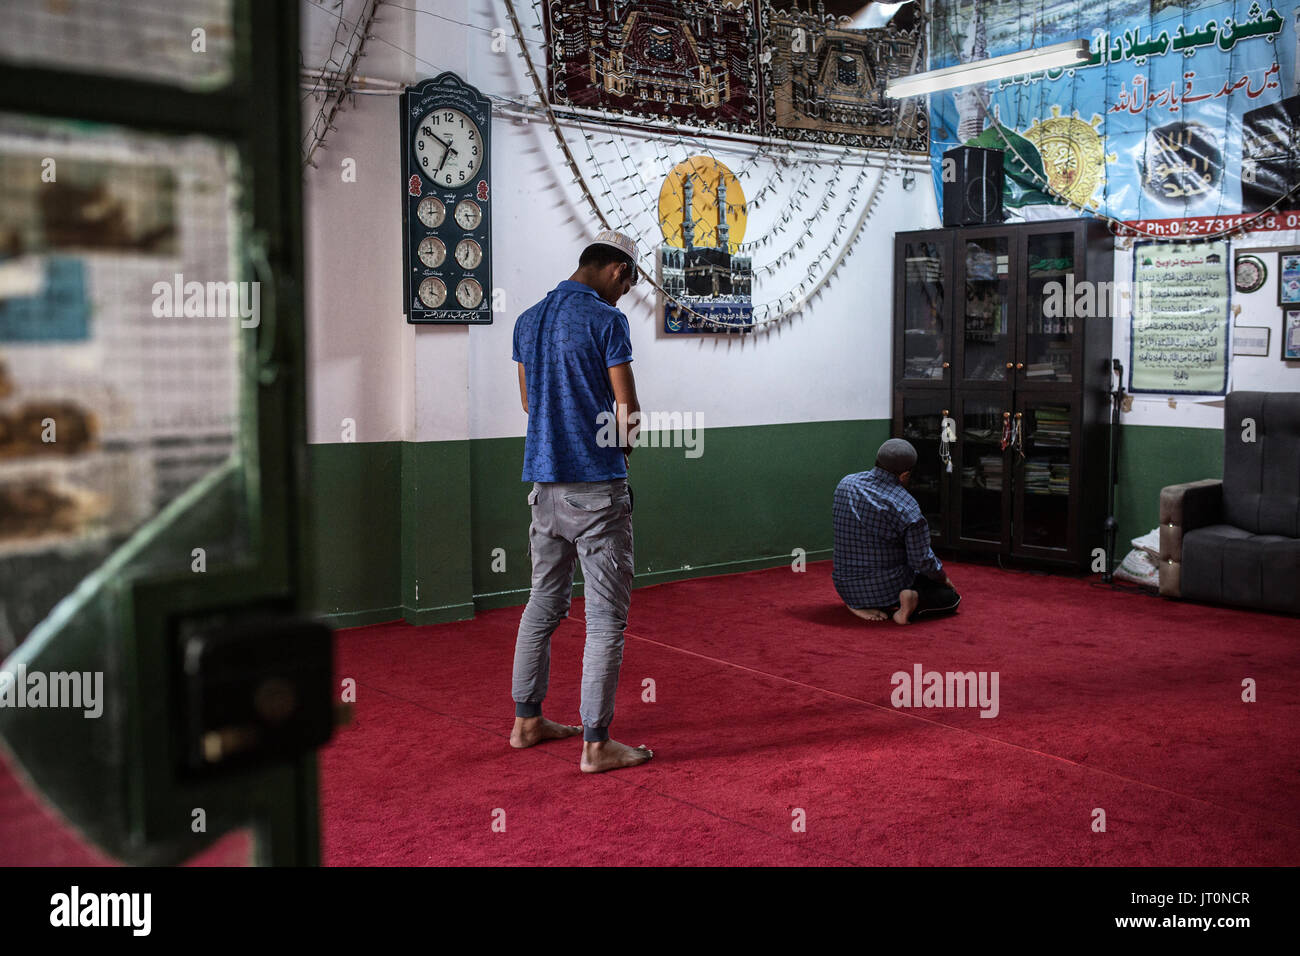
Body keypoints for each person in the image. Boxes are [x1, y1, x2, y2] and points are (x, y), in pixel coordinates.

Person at [508, 229, 654, 773]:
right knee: (605, 619)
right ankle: (596, 744)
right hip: (595, 490)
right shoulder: (607, 320)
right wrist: (622, 457)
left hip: (543, 491)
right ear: (619, 270)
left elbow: (528, 401)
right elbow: (627, 406)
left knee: (542, 603)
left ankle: (527, 722)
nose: (624, 294)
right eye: (628, 284)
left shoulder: (527, 319)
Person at [832, 438, 961, 625]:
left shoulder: (846, 484)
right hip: (885, 590)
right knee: (950, 597)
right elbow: (921, 560)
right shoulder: (907, 506)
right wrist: (943, 577)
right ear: (905, 475)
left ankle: (856, 604)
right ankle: (911, 601)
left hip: (845, 586)